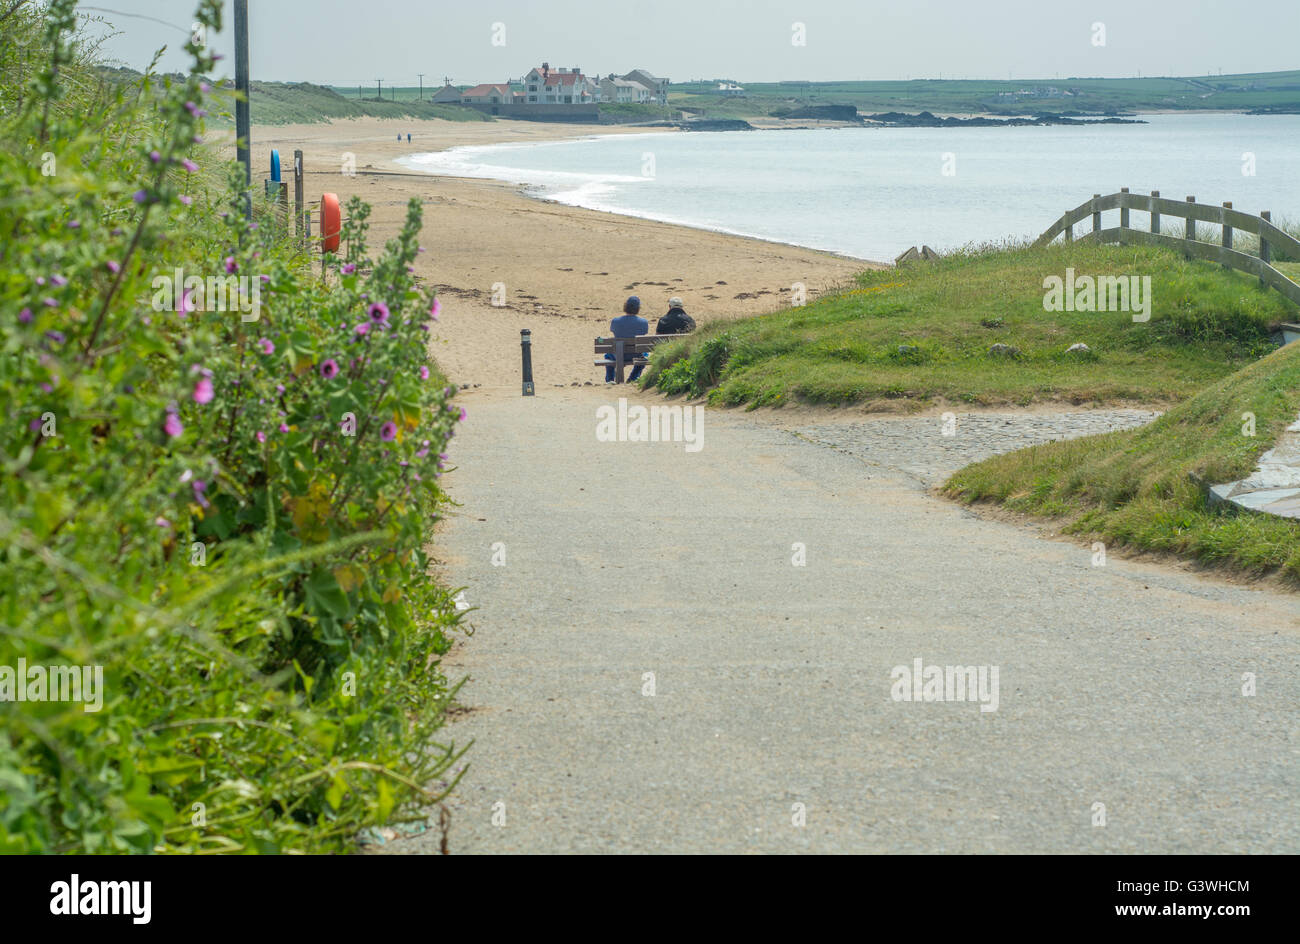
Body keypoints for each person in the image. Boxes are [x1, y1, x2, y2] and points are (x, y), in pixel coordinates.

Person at [603, 296, 649, 384]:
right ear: (638, 308)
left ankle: (610, 379)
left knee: (608, 355)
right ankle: (633, 377)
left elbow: (614, 332)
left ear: (626, 306)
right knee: (645, 355)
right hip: (636, 354)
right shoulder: (644, 322)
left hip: (619, 354)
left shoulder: (615, 321)